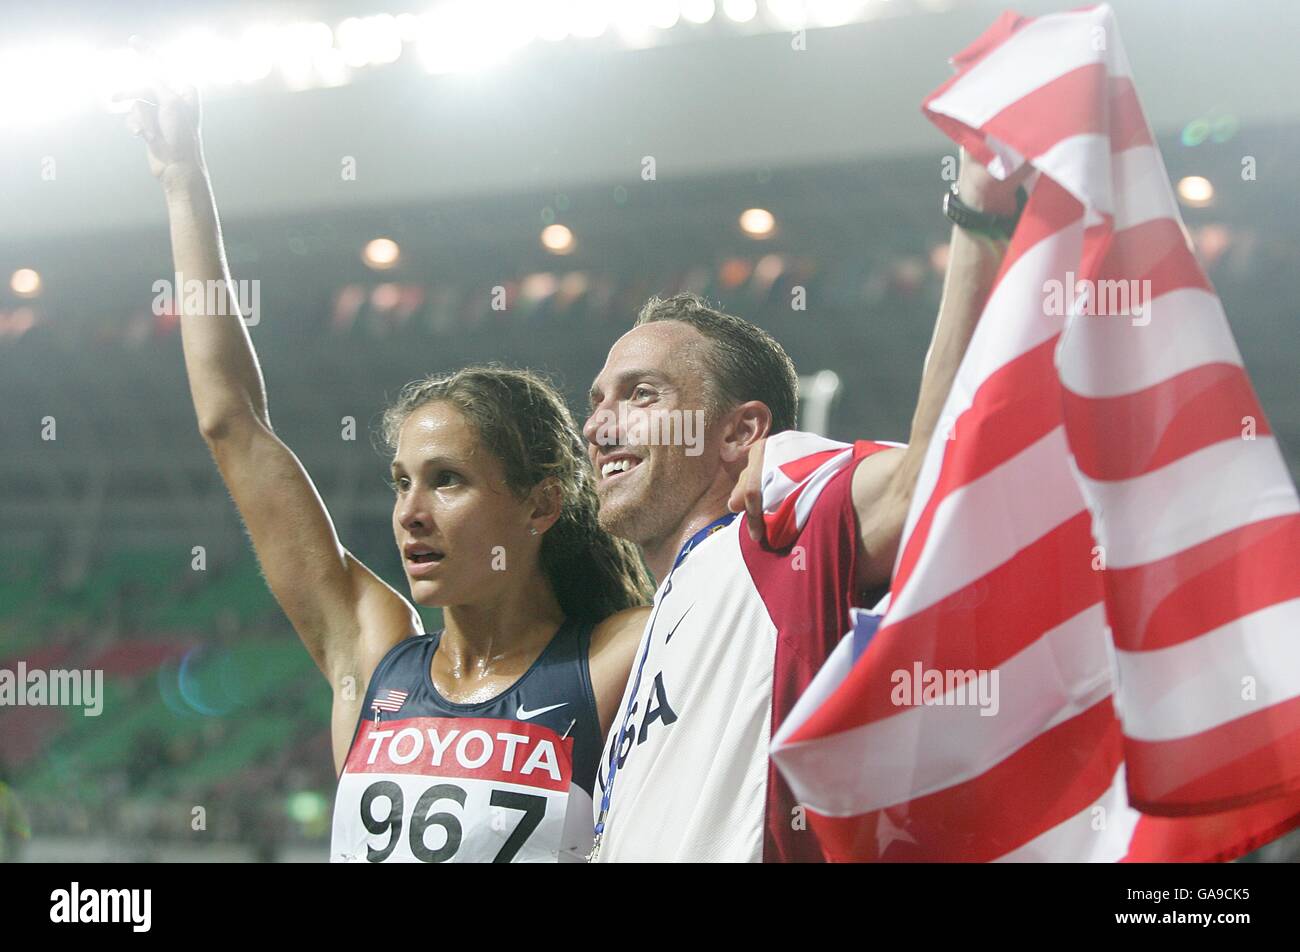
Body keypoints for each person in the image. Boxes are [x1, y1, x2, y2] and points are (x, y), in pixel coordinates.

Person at [118, 43, 651, 863]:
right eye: (402, 481)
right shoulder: (370, 664)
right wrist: (183, 181)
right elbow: (233, 423)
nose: (410, 512)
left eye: (448, 482)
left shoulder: (617, 660)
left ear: (542, 503)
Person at [584, 151, 1028, 861]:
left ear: (741, 431)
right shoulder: (663, 616)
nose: (600, 424)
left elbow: (935, 481)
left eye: (642, 395)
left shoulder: (775, 528)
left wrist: (977, 215)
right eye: (598, 400)